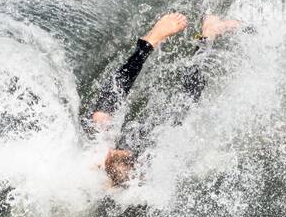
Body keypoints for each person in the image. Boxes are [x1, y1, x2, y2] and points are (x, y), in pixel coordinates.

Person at [89, 12, 240, 186]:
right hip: (150, 151)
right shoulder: (151, 168)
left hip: (134, 159)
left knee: (101, 119)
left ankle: (155, 42)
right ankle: (206, 34)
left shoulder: (103, 157)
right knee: (184, 106)